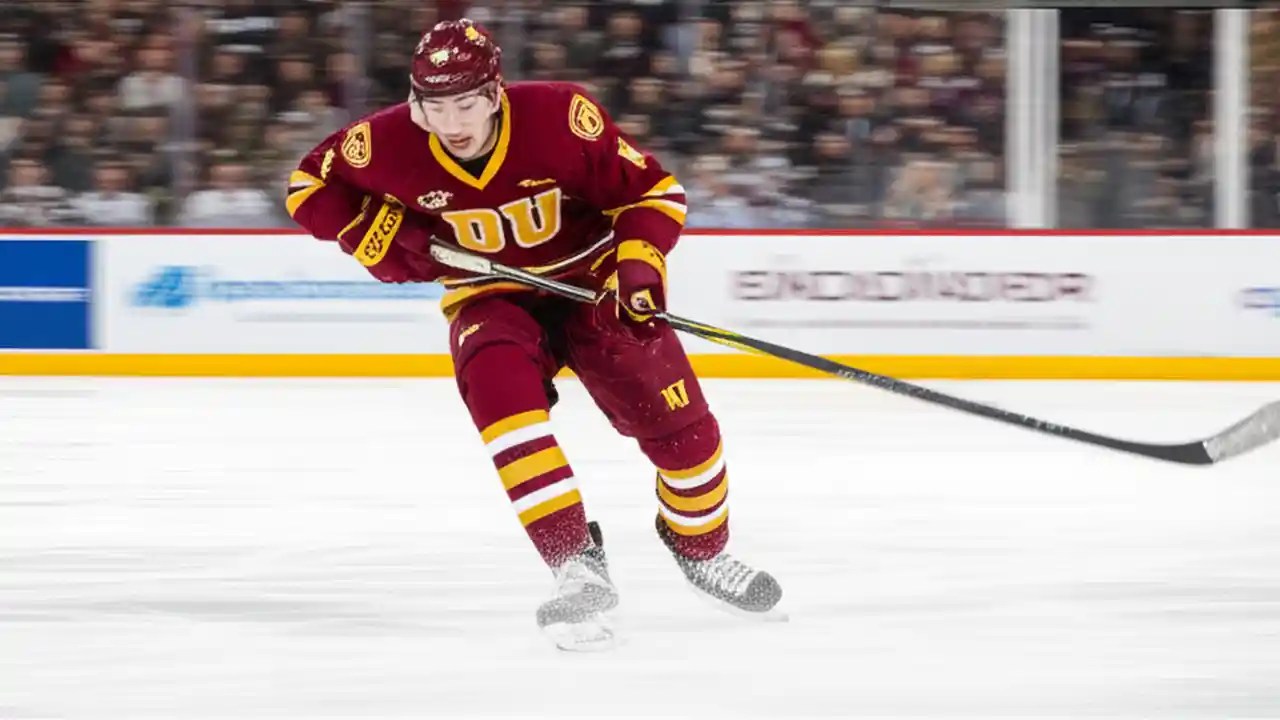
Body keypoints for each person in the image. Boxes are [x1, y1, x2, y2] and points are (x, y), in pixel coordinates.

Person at [285, 19, 781, 650]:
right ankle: (574, 565)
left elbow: (654, 192)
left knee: (689, 441)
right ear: (415, 104)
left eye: (465, 103)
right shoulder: (378, 144)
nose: (451, 121)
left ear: (495, 94)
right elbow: (308, 185)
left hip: (593, 284)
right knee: (506, 414)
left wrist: (637, 267)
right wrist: (383, 235)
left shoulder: (560, 117)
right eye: (434, 106)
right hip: (488, 296)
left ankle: (702, 550)